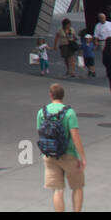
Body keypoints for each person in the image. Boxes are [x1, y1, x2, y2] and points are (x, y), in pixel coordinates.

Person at [37, 83, 85, 212]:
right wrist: (82, 157)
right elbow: (75, 136)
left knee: (57, 190)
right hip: (68, 154)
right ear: (63, 96)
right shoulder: (69, 112)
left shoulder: (42, 112)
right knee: (77, 187)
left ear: (50, 95)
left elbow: (39, 132)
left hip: (50, 155)